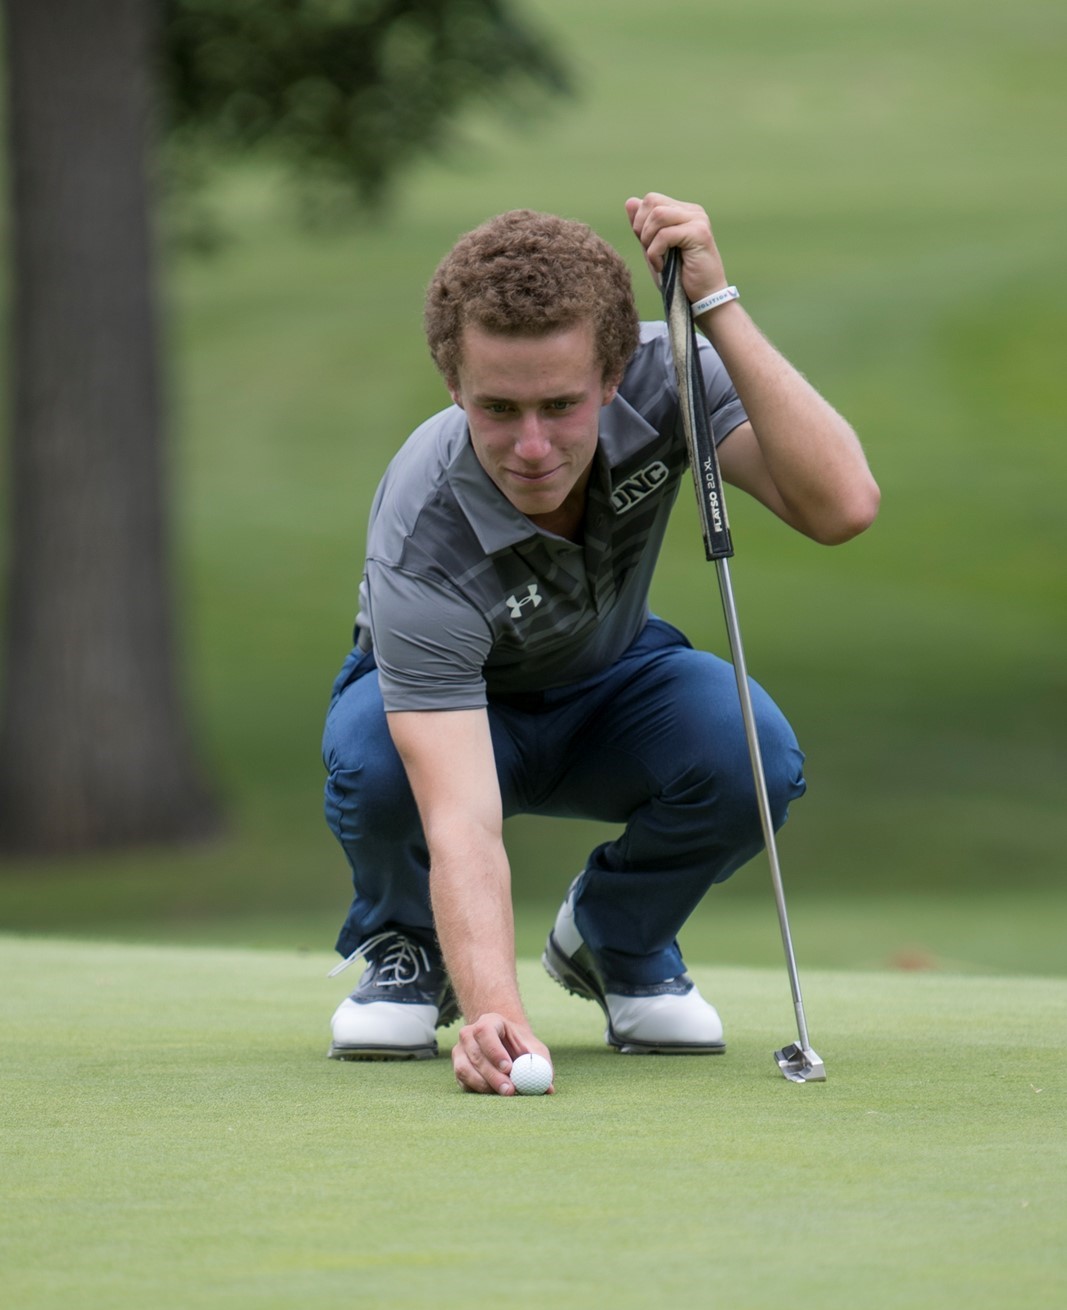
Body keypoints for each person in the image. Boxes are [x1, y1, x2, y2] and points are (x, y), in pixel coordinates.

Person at [322, 192, 879, 1094]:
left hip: (611, 679)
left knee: (750, 749)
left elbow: (840, 506)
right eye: (497, 407)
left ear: (615, 373)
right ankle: (408, 945)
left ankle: (615, 935)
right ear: (452, 381)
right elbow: (462, 814)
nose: (532, 445)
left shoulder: (671, 377)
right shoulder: (421, 527)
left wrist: (715, 305)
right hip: (457, 712)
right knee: (375, 762)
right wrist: (498, 1008)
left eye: (562, 405)